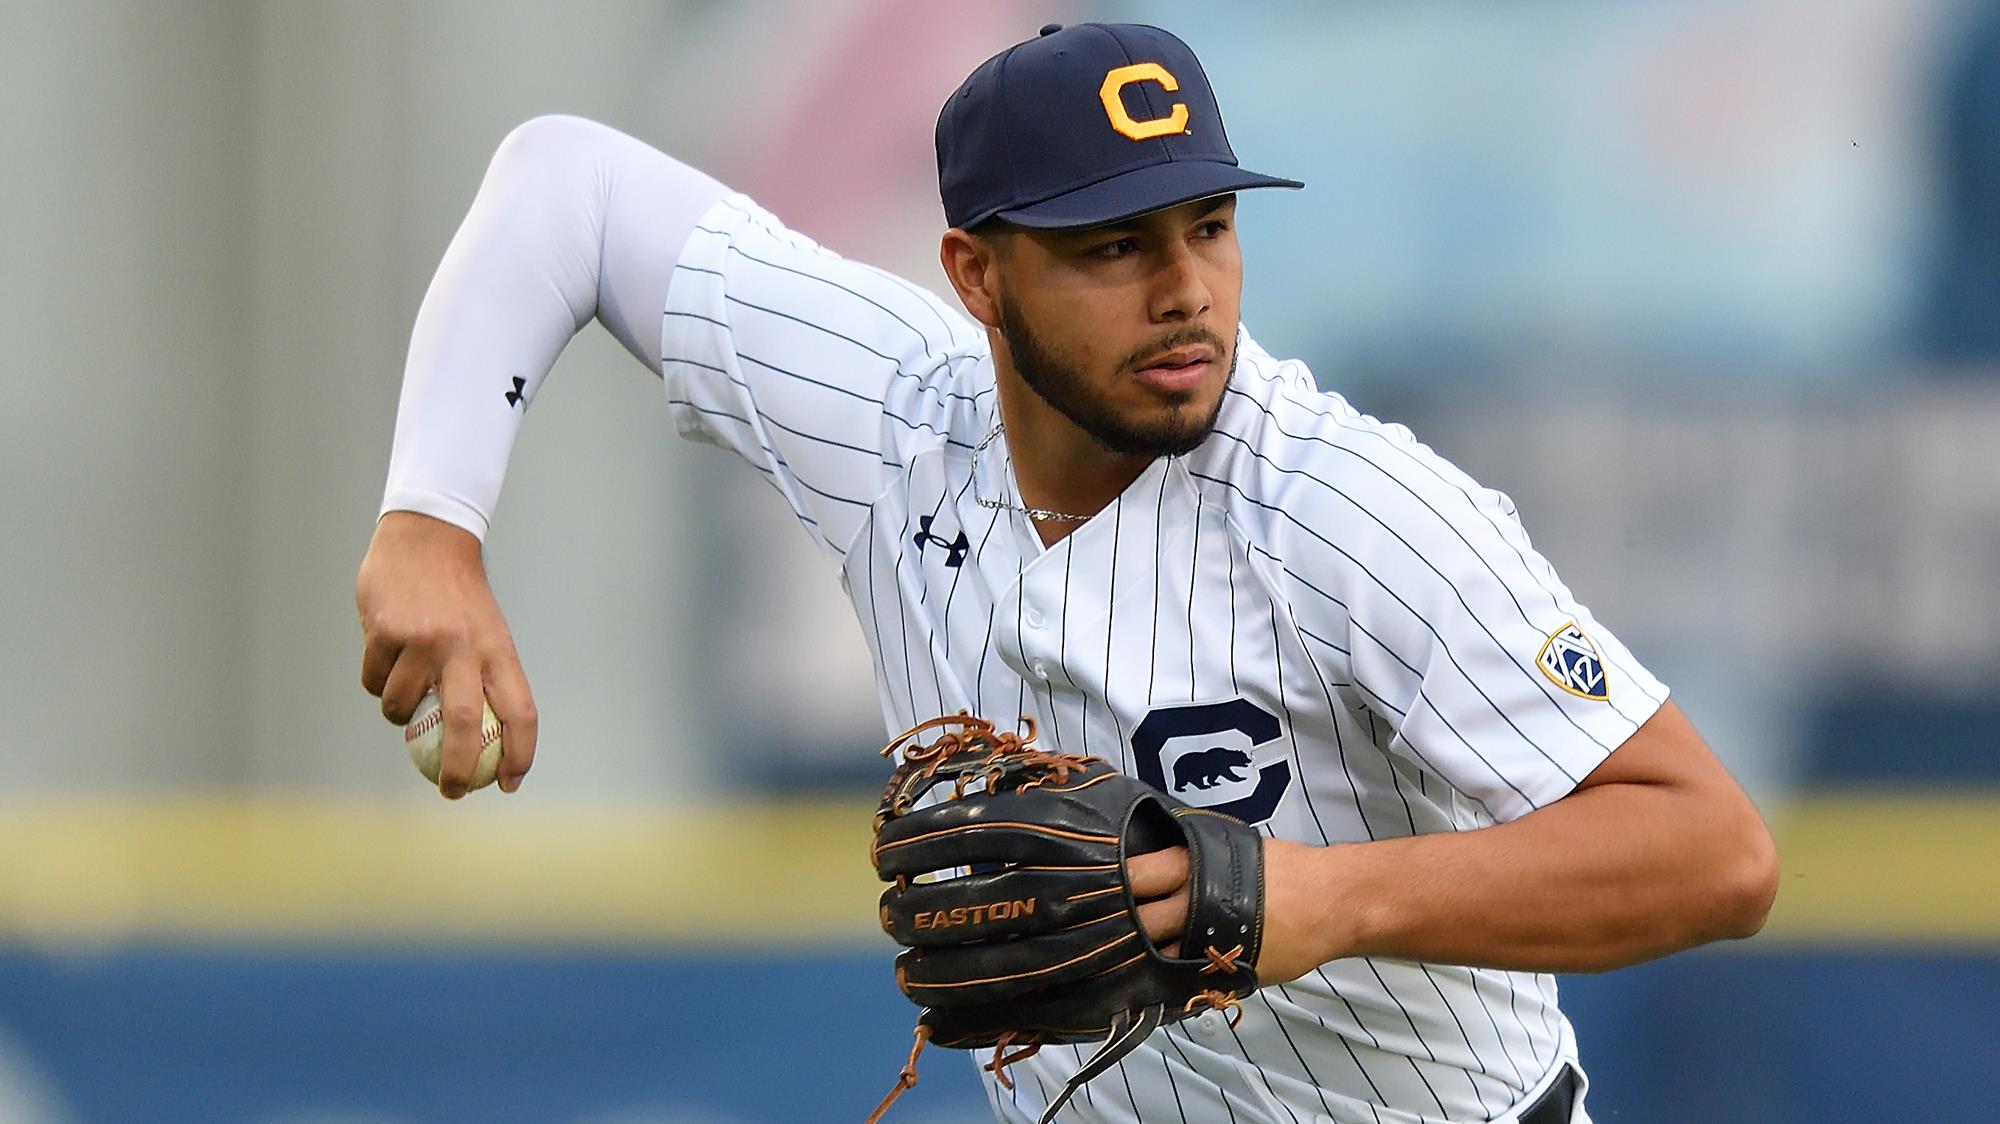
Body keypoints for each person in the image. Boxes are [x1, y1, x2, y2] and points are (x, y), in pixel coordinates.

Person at [355, 22, 1778, 1124]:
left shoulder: (1348, 510)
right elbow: (567, 185)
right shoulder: (892, 414)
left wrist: (1329, 900)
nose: (1185, 291)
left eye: (1208, 228)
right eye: (1114, 245)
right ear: (977, 277)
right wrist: (433, 517)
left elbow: (1716, 850)